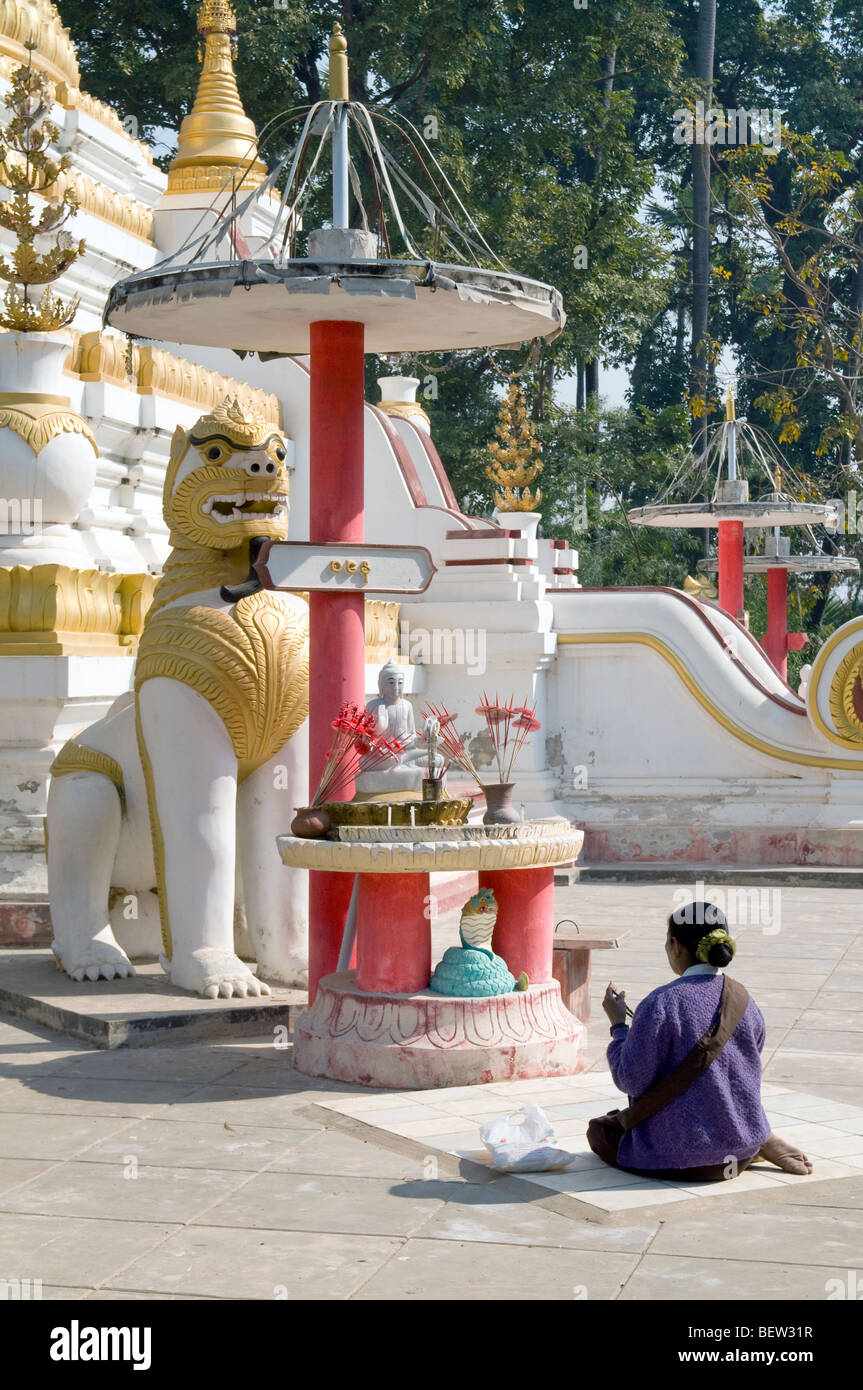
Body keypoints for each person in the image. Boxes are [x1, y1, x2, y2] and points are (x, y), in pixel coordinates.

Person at [587, 901, 813, 1182]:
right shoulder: (743, 999)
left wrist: (619, 1026)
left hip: (677, 1159)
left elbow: (630, 1079)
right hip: (737, 1156)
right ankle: (758, 1140)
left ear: (676, 945)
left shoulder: (661, 1003)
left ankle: (745, 1142)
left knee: (600, 1131)